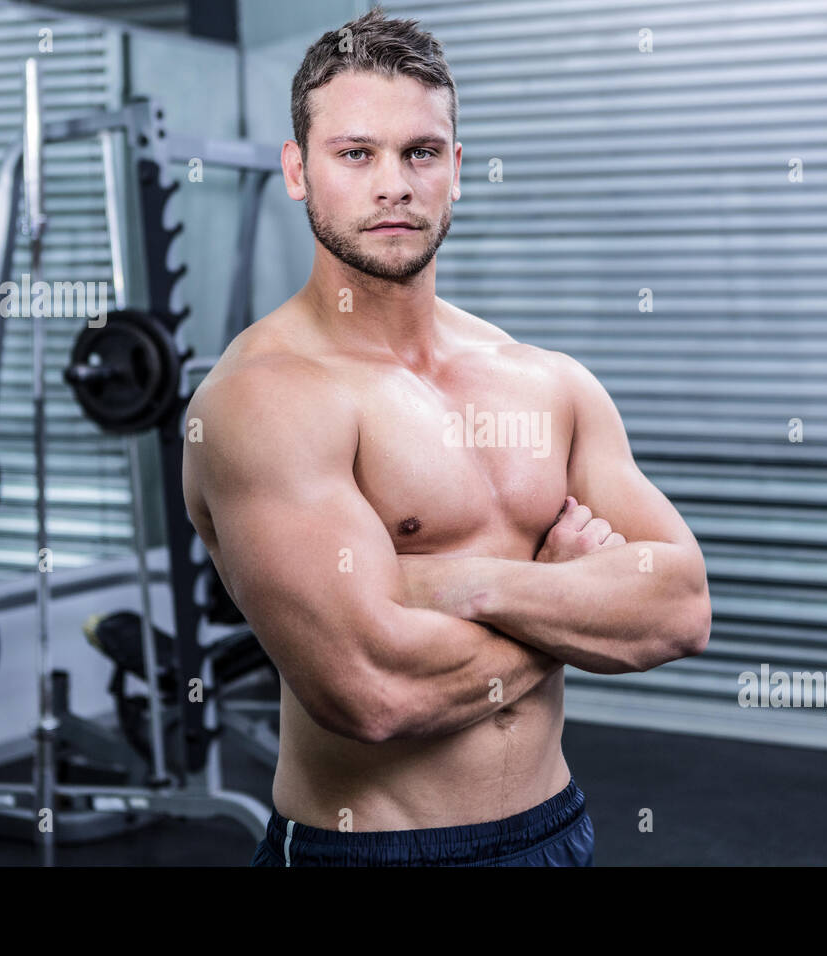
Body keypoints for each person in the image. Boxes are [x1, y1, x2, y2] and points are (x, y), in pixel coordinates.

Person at [183, 6, 711, 867]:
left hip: (555, 832)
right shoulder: (260, 400)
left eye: (420, 153)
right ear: (297, 170)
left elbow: (680, 606)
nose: (393, 183)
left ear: (456, 171)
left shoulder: (546, 380)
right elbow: (370, 690)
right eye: (356, 154)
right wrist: (561, 589)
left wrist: (460, 585)